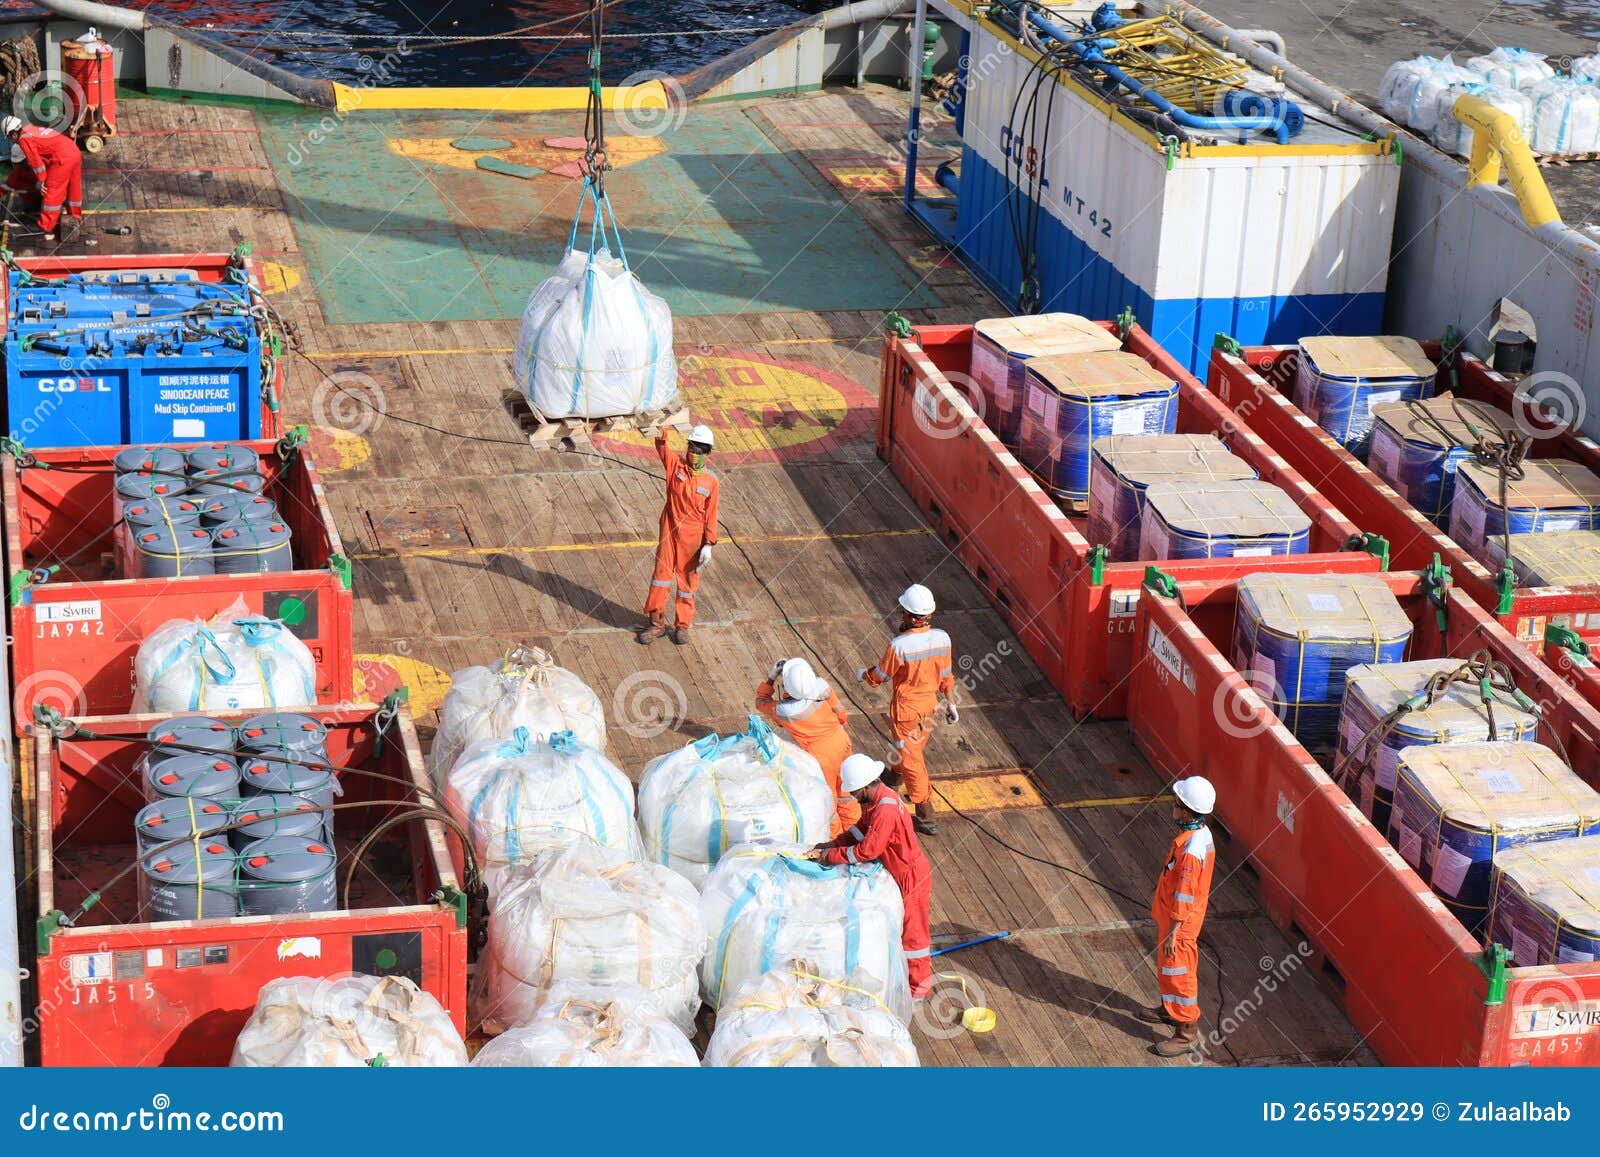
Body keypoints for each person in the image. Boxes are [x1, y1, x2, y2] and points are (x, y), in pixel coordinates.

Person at [809, 754, 933, 999]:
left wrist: (831, 856)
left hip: (910, 877)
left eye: (855, 792)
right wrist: (832, 843)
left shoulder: (885, 810)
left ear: (865, 786)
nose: (853, 796)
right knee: (903, 931)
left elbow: (867, 850)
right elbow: (860, 831)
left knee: (914, 936)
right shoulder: (879, 800)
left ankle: (920, 991)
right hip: (900, 872)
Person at [855, 583, 957, 835]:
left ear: (910, 616)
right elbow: (946, 675)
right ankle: (893, 778)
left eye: (903, 611)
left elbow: (880, 676)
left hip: (906, 714)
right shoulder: (943, 639)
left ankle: (925, 815)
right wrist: (951, 702)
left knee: (913, 762)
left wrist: (863, 675)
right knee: (910, 751)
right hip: (929, 709)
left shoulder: (899, 645)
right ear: (928, 615)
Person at [1140, 775, 1217, 1057]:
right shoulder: (1199, 836)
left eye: (1176, 802)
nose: (1173, 806)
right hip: (1173, 920)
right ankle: (1168, 1009)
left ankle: (1186, 1034)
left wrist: (1174, 931)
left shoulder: (1192, 850)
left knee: (1179, 975)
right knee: (1166, 968)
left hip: (1180, 926)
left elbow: (1185, 894)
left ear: (1185, 809)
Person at [756, 657, 860, 836]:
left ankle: (837, 838)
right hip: (841, 741)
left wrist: (771, 677)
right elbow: (842, 716)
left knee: (827, 800)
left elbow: (760, 702)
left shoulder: (786, 711)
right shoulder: (822, 686)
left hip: (822, 757)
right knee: (845, 788)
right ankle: (857, 828)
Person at [637, 423, 718, 646]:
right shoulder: (676, 467)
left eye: (699, 450)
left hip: (693, 537)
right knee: (661, 577)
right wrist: (660, 430)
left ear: (708, 453)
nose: (694, 454)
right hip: (669, 531)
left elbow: (711, 514)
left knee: (688, 583)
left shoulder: (711, 482)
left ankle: (682, 626)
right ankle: (656, 623)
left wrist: (709, 544)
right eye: (691, 448)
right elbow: (662, 446)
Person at [3, 116, 81, 241]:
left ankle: (45, 227)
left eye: (9, 137)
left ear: (13, 133)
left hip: (62, 157)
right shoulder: (31, 129)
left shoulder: (24, 139)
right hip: (73, 150)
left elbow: (35, 161)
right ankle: (75, 217)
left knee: (52, 190)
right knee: (74, 188)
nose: (12, 141)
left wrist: (42, 180)